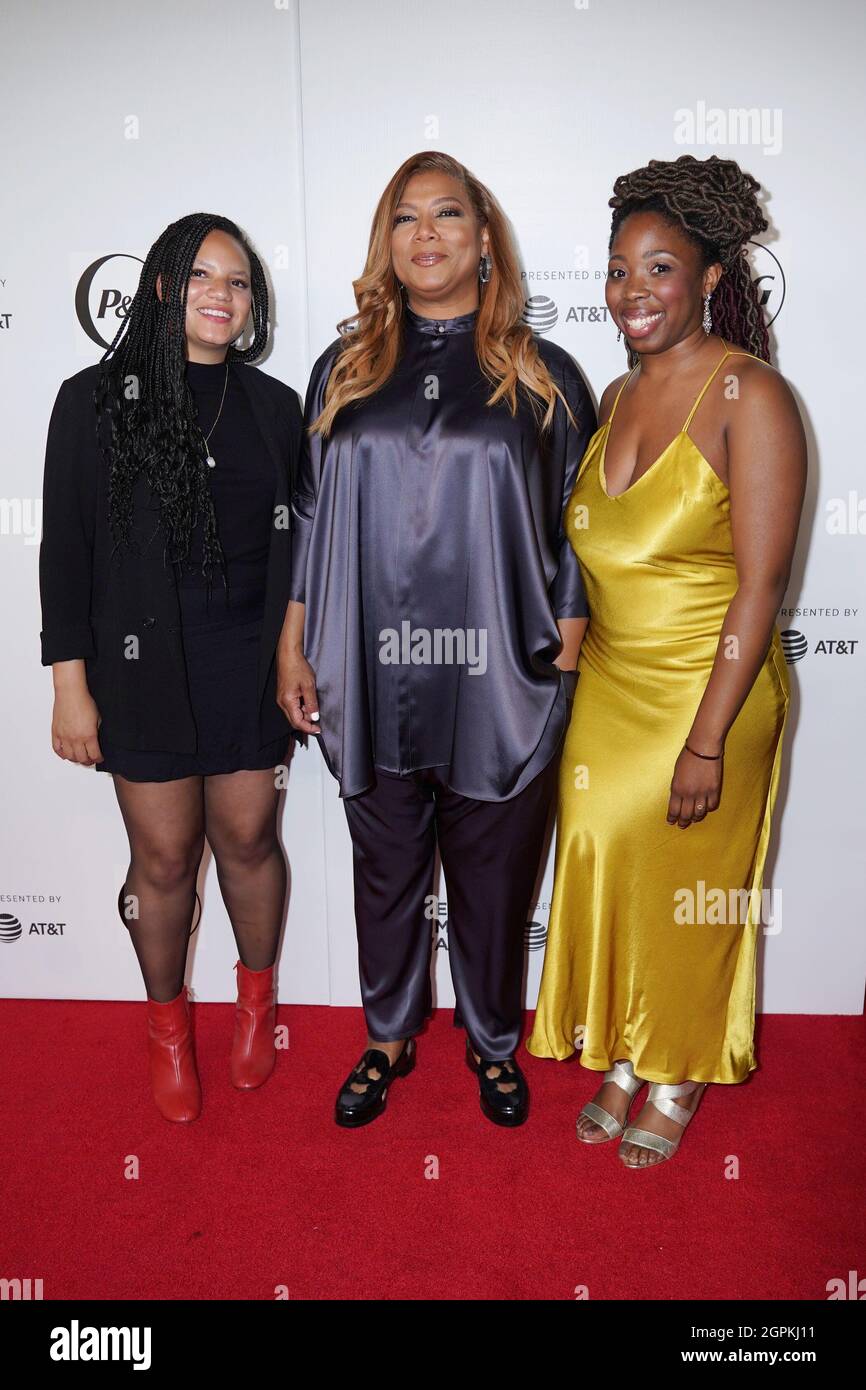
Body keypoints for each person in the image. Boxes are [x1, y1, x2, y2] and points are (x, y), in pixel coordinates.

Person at [278, 151, 595, 1128]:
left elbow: (580, 518)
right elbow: (309, 512)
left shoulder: (541, 372)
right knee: (384, 872)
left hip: (500, 670)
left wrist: (570, 634)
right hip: (364, 667)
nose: (425, 233)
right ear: (387, 243)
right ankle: (387, 1034)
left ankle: (493, 1042)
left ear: (482, 238)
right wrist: (294, 644)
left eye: (447, 214)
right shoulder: (341, 368)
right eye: (405, 218)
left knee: (495, 880)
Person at [527, 155, 806, 1167]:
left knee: (690, 878)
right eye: (616, 270)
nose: (631, 291)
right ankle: (629, 1039)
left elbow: (758, 589)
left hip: (711, 688)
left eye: (656, 269)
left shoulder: (751, 396)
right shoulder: (612, 391)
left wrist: (703, 741)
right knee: (612, 861)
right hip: (610, 681)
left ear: (707, 279)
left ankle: (678, 1063)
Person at [39, 213, 303, 1122]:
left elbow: (298, 552)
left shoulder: (273, 407)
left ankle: (256, 1008)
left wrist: (291, 656)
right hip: (139, 668)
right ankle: (167, 1031)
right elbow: (65, 553)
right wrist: (70, 684)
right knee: (161, 858)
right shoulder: (93, 399)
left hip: (247, 662)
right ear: (161, 288)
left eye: (236, 282)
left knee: (248, 841)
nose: (220, 295)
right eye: (200, 277)